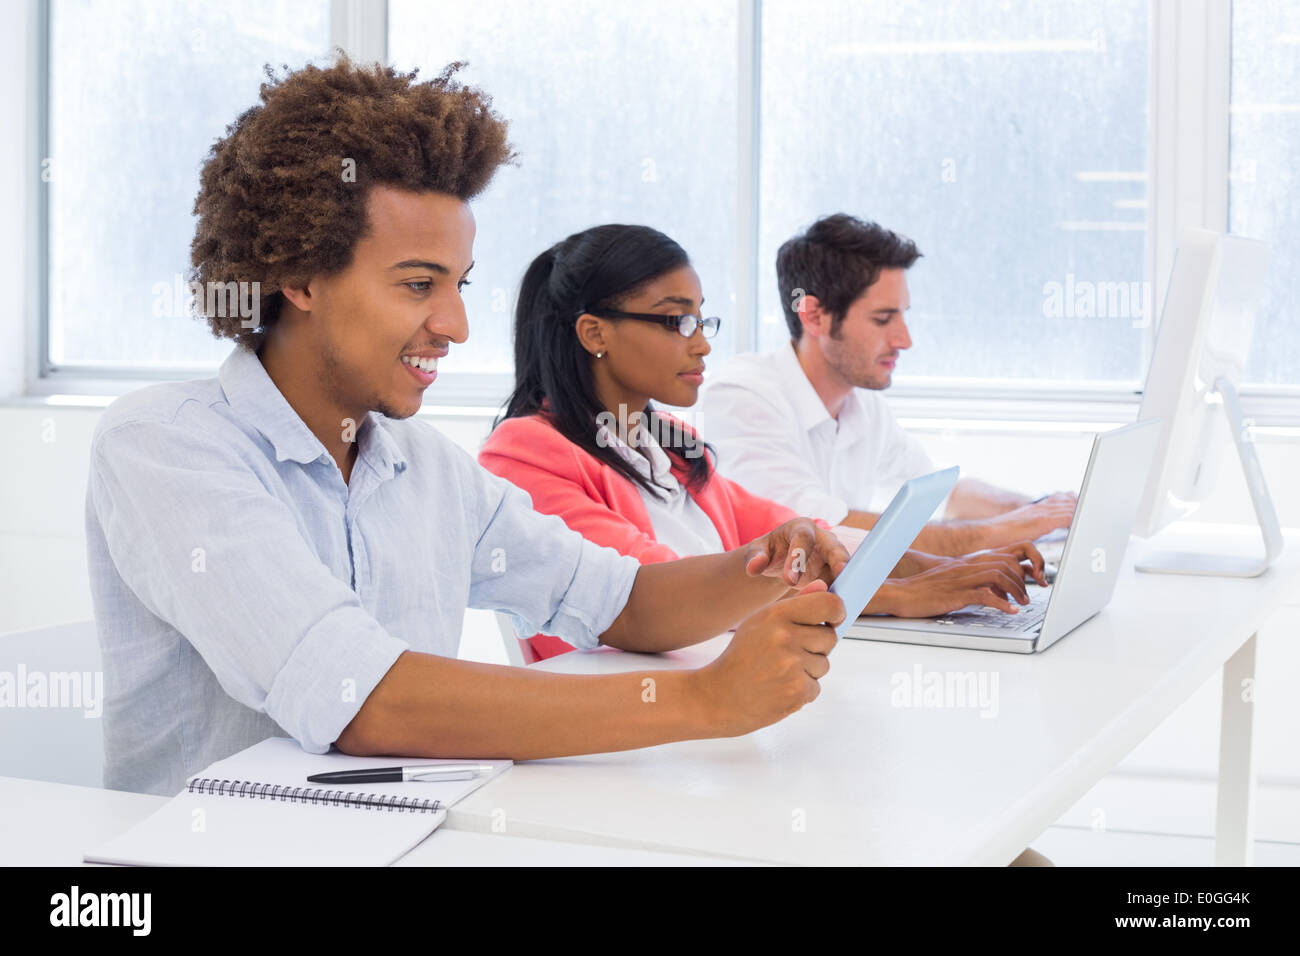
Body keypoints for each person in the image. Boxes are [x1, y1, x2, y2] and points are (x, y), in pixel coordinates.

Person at [84, 57, 851, 798]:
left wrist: (761, 566)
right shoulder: (165, 446)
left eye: (458, 285)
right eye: (419, 284)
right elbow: (360, 697)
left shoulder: (425, 467)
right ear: (299, 277)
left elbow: (620, 600)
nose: (453, 324)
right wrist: (703, 701)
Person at [478, 224, 1047, 661]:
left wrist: (943, 569)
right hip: (627, 726)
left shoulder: (672, 450)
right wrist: (906, 595)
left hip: (717, 684)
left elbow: (810, 537)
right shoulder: (526, 453)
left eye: (704, 321)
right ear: (594, 332)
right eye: (678, 322)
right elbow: (656, 594)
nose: (701, 345)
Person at [697, 214, 1077, 557]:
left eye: (903, 316)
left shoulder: (860, 402)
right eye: (883, 319)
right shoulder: (742, 397)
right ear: (813, 315)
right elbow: (817, 531)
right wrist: (999, 533)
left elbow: (939, 494)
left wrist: (1041, 509)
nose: (904, 340)